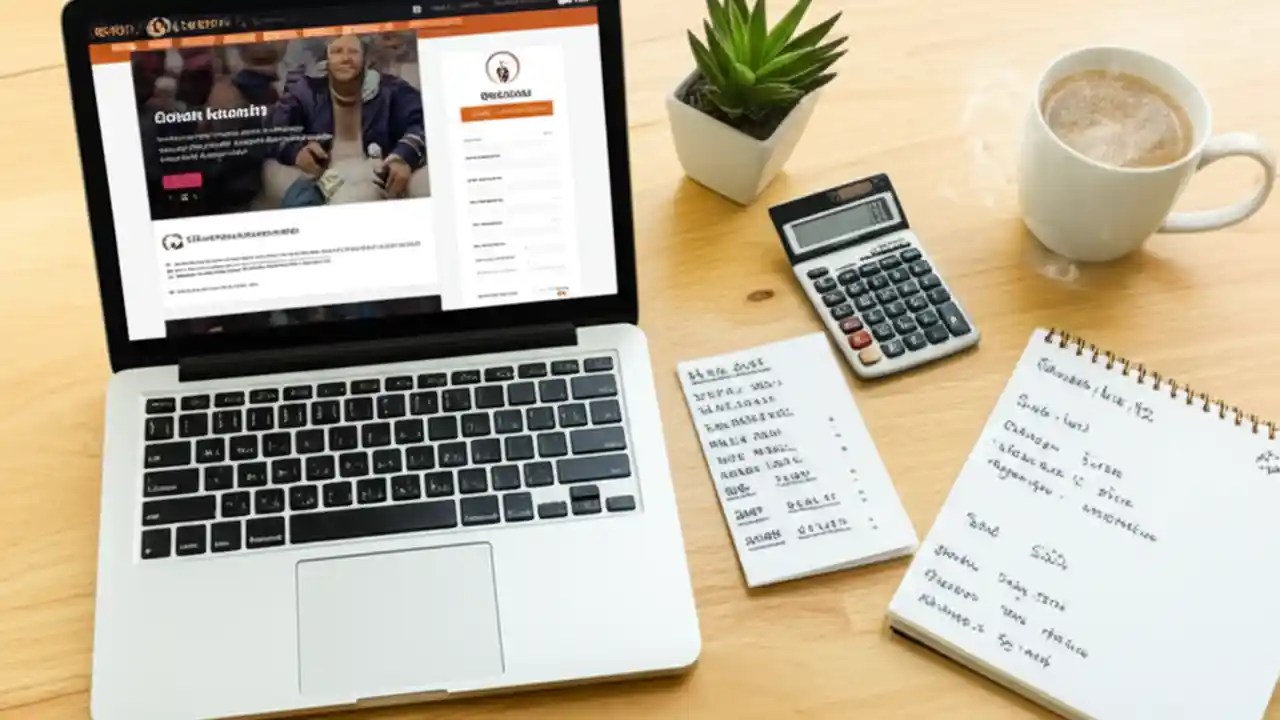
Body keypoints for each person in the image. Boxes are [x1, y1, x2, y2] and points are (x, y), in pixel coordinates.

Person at [269, 34, 425, 200]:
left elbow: (422, 121)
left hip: (379, 168)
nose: (345, 59)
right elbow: (275, 129)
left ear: (366, 60)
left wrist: (403, 157)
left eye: (353, 52)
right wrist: (296, 151)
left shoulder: (391, 89)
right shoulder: (305, 90)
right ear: (326, 59)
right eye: (337, 52)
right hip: (327, 175)